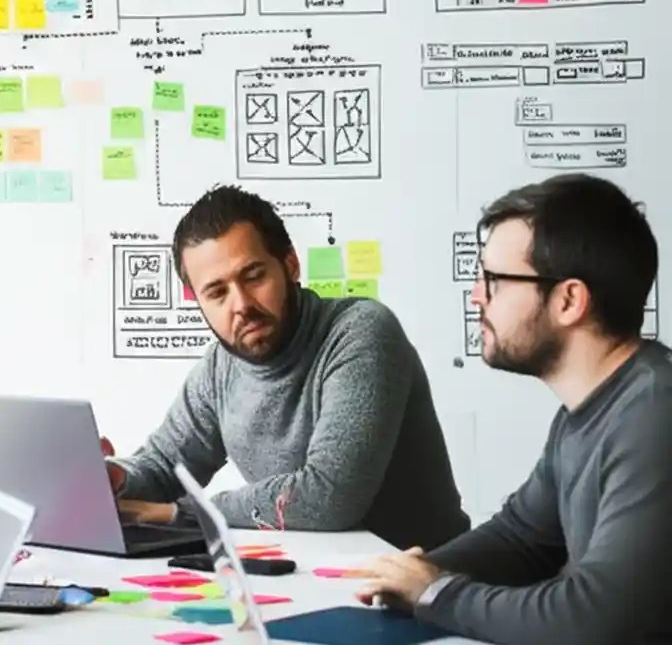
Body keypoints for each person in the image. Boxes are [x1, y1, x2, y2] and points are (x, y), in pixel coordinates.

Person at [355, 174, 672, 643]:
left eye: (495, 281)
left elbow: (599, 617)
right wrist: (420, 570)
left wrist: (436, 593)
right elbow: (523, 538)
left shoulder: (654, 412)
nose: (477, 295)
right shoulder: (585, 410)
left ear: (569, 300)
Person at [103, 185, 470, 550]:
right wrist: (115, 479)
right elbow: (165, 466)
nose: (241, 304)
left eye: (253, 276)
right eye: (217, 293)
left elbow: (328, 497)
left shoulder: (361, 333)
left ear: (290, 265)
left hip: (424, 585)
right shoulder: (219, 369)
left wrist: (180, 513)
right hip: (314, 579)